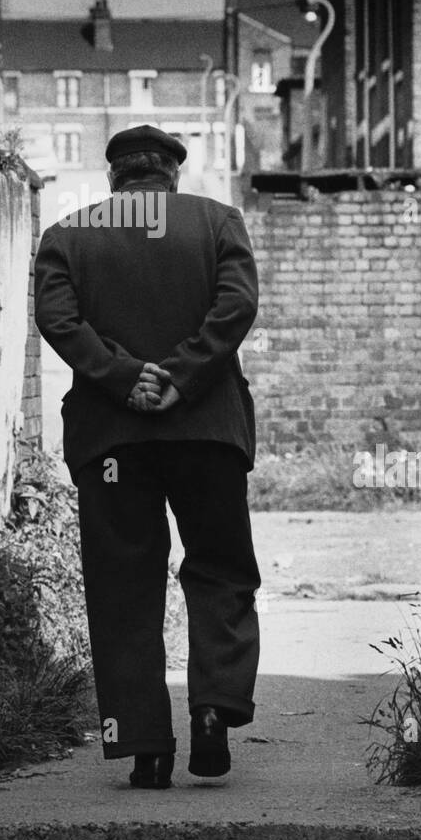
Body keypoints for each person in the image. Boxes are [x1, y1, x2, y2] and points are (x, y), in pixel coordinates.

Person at [34, 124, 261, 788]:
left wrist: (121, 375)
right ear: (171, 173)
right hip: (206, 430)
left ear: (115, 178)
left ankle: (144, 746)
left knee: (122, 587)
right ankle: (216, 707)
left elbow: (58, 320)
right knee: (219, 568)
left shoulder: (68, 236)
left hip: (113, 440)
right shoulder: (217, 222)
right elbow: (236, 305)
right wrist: (181, 374)